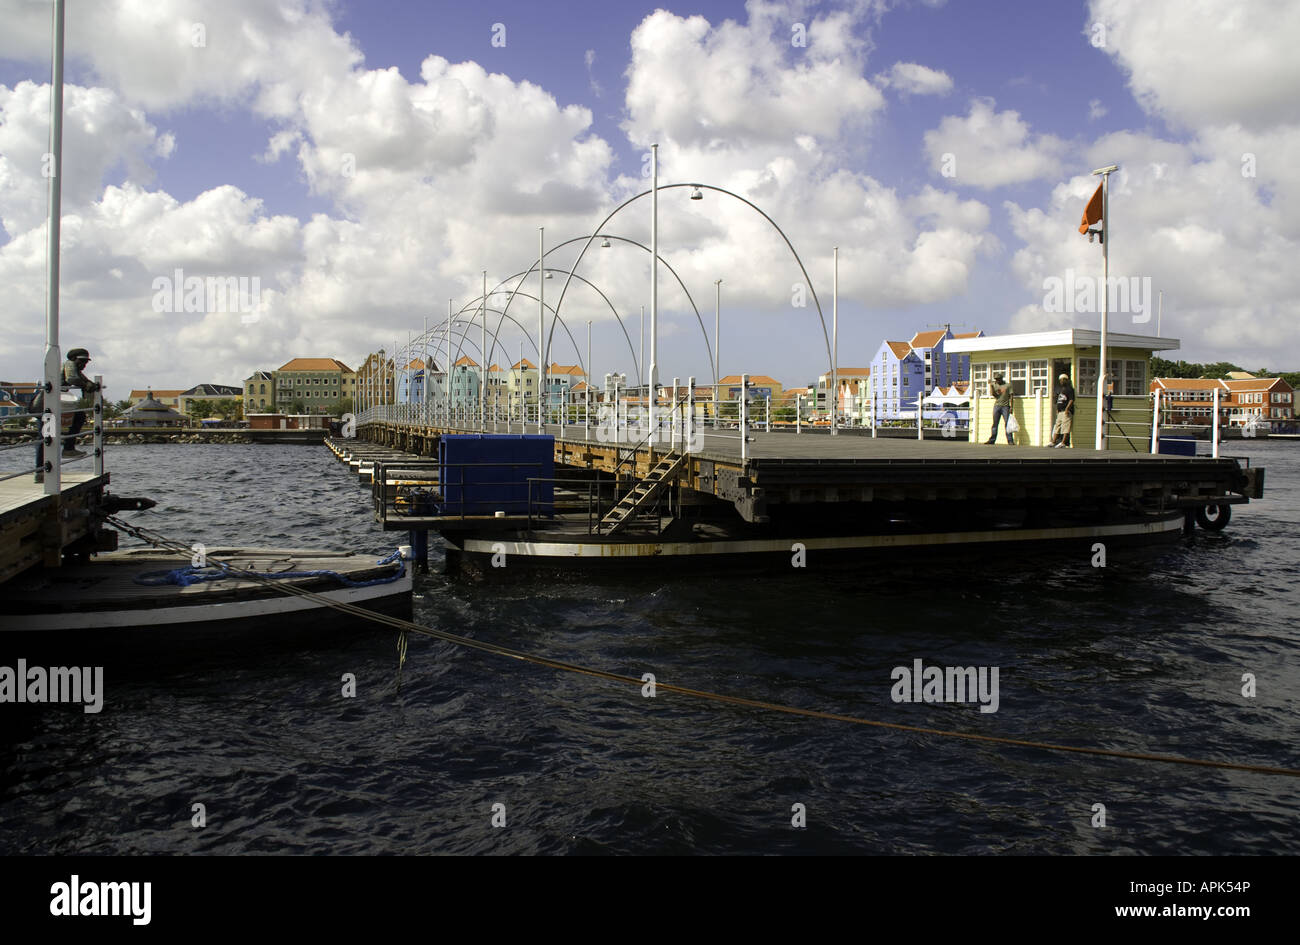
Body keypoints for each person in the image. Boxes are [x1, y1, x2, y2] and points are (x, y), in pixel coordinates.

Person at [31, 348, 101, 481]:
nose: (84, 364)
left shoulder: (75, 368)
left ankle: (68, 448)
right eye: (83, 361)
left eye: (86, 362)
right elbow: (72, 378)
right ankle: (41, 470)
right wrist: (86, 384)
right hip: (45, 404)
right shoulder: (70, 364)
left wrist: (90, 386)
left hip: (53, 403)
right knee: (45, 435)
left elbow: (84, 381)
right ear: (75, 359)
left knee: (77, 417)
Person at [985, 372, 1015, 444]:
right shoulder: (995, 385)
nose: (997, 381)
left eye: (998, 379)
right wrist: (991, 386)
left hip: (1005, 406)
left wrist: (1011, 407)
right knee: (995, 423)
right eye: (996, 379)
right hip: (997, 405)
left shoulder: (1008, 385)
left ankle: (1010, 440)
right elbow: (994, 395)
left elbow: (1011, 396)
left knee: (1007, 423)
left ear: (1001, 379)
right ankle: (992, 440)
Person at [1050, 372, 1075, 448]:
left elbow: (1071, 400)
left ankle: (1063, 442)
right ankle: (1053, 441)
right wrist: (1057, 409)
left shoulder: (1069, 389)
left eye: (1063, 380)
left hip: (1066, 411)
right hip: (1060, 411)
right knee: (1057, 426)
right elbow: (1058, 400)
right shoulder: (1059, 389)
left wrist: (1067, 408)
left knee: (1065, 427)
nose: (1062, 381)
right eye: (1061, 380)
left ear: (1066, 380)